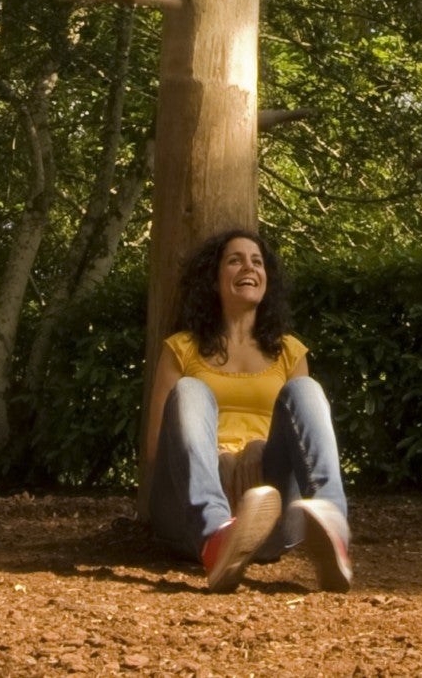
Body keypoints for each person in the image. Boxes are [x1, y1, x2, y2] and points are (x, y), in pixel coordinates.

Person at [144, 227, 352, 592]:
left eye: (257, 262)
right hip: (186, 513)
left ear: (267, 280)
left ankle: (332, 526)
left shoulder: (290, 351)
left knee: (306, 389)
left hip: (266, 508)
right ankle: (216, 538)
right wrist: (211, 457)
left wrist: (260, 445)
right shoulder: (181, 348)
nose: (249, 268)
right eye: (235, 260)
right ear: (214, 279)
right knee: (190, 389)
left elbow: (298, 439)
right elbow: (154, 450)